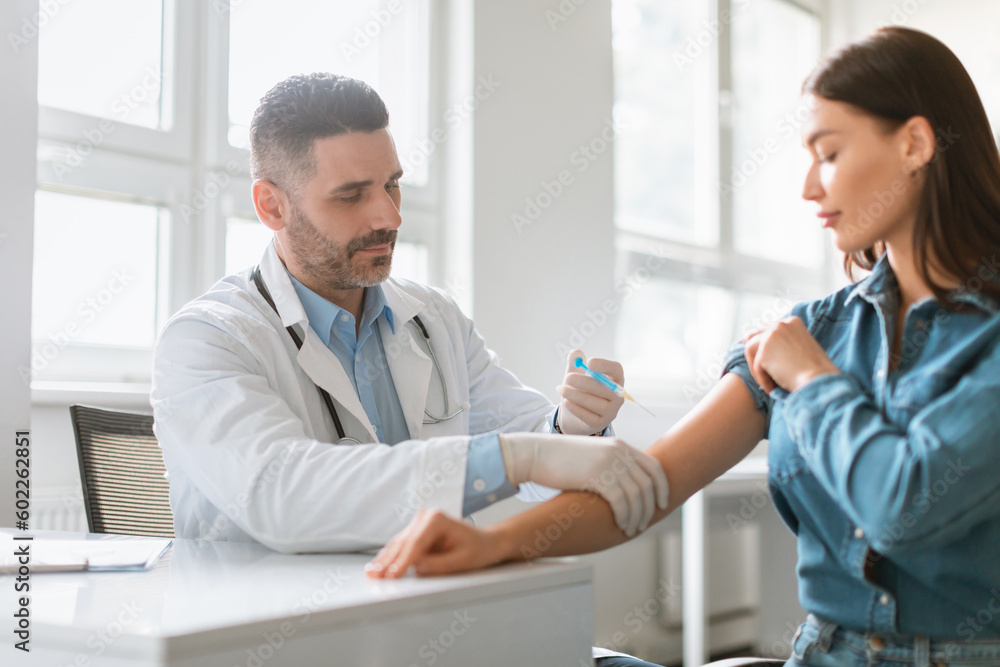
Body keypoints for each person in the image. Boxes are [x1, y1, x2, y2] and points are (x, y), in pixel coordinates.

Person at [367, 27, 1000, 666]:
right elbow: (650, 484)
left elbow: (903, 505)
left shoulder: (817, 351)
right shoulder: (814, 331)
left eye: (829, 154)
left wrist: (811, 380)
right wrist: (493, 544)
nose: (809, 187)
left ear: (916, 144)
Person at [150, 73, 668, 555]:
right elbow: (281, 493)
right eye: (352, 195)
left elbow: (534, 441)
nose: (389, 217)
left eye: (391, 185)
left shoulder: (432, 318)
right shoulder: (206, 340)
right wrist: (521, 457)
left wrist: (574, 423)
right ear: (272, 207)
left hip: (427, 621)